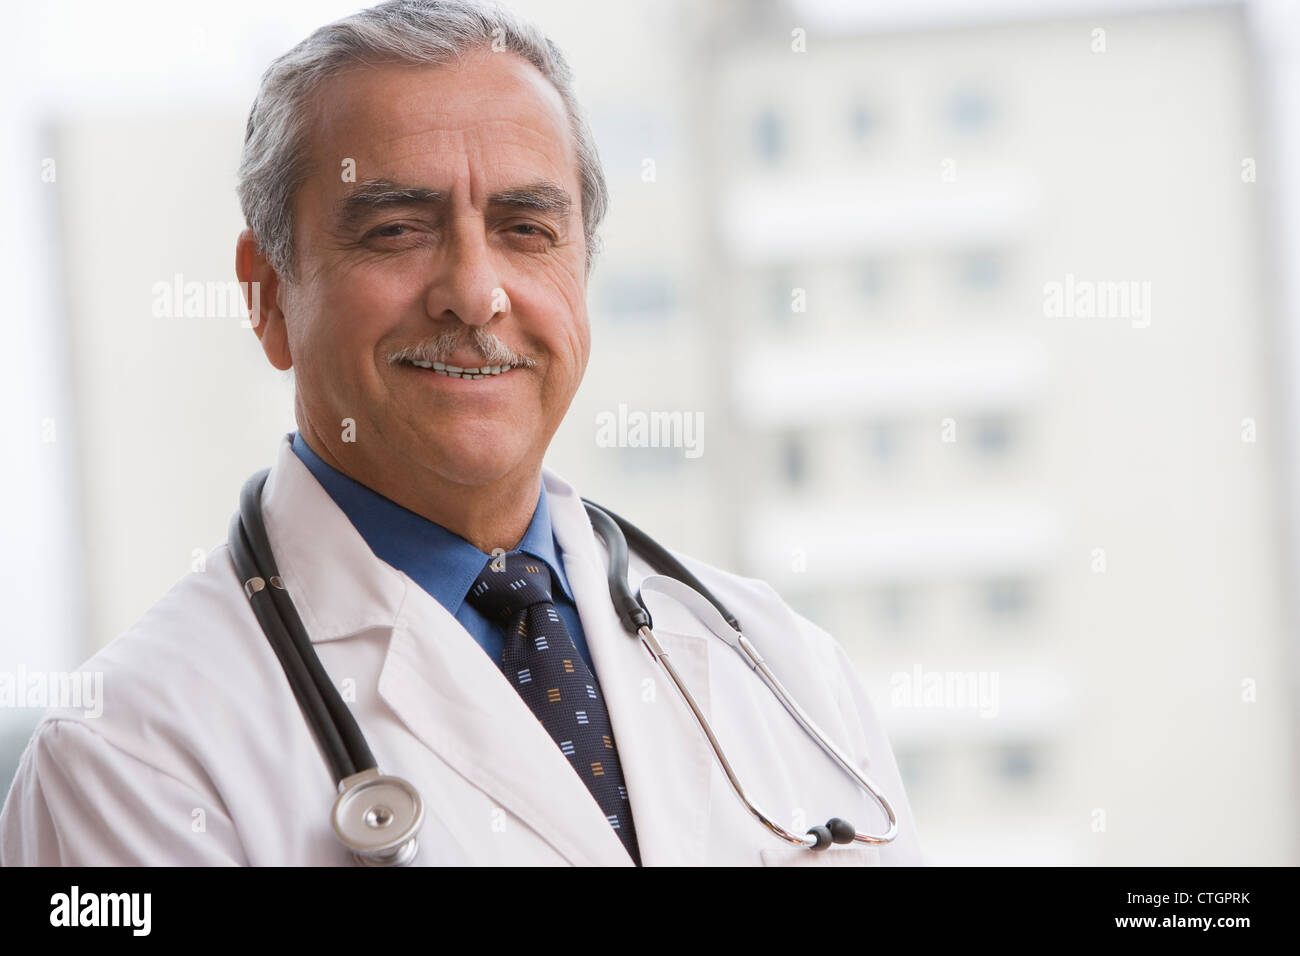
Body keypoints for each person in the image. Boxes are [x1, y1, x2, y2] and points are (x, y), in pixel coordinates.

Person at [0, 0, 924, 866]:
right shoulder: (130, 758)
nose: (475, 292)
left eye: (527, 229)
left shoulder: (785, 671)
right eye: (397, 230)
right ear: (268, 293)